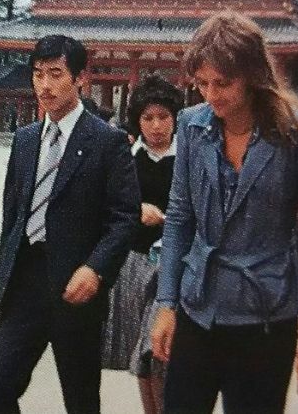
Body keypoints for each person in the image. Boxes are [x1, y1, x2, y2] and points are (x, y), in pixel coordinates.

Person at [151, 11, 298, 414]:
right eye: (202, 83)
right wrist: (166, 302)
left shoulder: (297, 133)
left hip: (266, 314)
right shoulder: (191, 125)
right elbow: (180, 218)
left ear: (253, 74)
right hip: (198, 307)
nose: (211, 95)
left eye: (223, 82)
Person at [0, 34, 141, 414]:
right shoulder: (24, 140)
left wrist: (96, 269)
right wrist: (5, 271)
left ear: (80, 78)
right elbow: (13, 214)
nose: (45, 85)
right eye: (38, 75)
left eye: (56, 74)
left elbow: (125, 218)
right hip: (24, 283)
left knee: (81, 400)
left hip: (76, 285)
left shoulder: (107, 141)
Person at [99, 74, 183, 414]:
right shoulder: (126, 158)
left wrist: (166, 219)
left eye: (163, 116)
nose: (156, 125)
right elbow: (105, 206)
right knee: (142, 357)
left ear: (176, 118)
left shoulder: (187, 158)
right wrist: (135, 212)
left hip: (172, 265)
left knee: (159, 349)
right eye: (148, 118)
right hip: (134, 265)